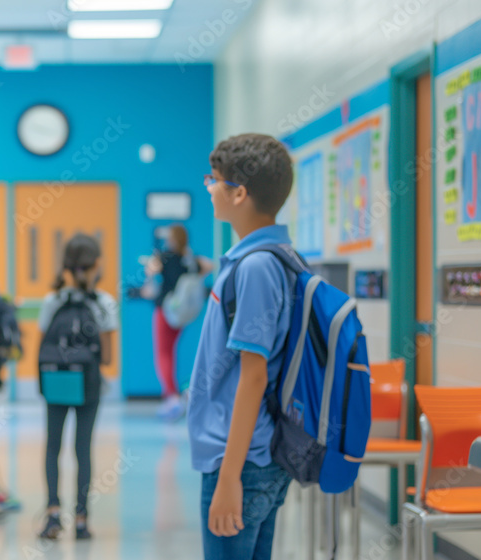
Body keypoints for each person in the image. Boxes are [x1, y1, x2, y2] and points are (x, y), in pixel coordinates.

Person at [188, 133, 296, 560]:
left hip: (240, 461)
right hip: (254, 455)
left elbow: (254, 375)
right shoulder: (270, 256)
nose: (210, 187)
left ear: (239, 192)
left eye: (213, 180)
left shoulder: (256, 268)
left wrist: (229, 477)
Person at [37, 234, 118, 541]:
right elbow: (108, 359)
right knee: (82, 448)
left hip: (56, 381)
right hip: (88, 384)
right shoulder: (105, 303)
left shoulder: (52, 300)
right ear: (96, 265)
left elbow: (41, 350)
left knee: (52, 446)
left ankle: (52, 514)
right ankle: (82, 519)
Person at [145, 224, 212, 420]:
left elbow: (151, 271)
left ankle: (171, 397)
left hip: (165, 310)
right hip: (182, 314)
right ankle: (174, 396)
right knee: (171, 351)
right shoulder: (191, 260)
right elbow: (209, 266)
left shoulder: (164, 257)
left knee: (163, 354)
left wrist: (151, 267)